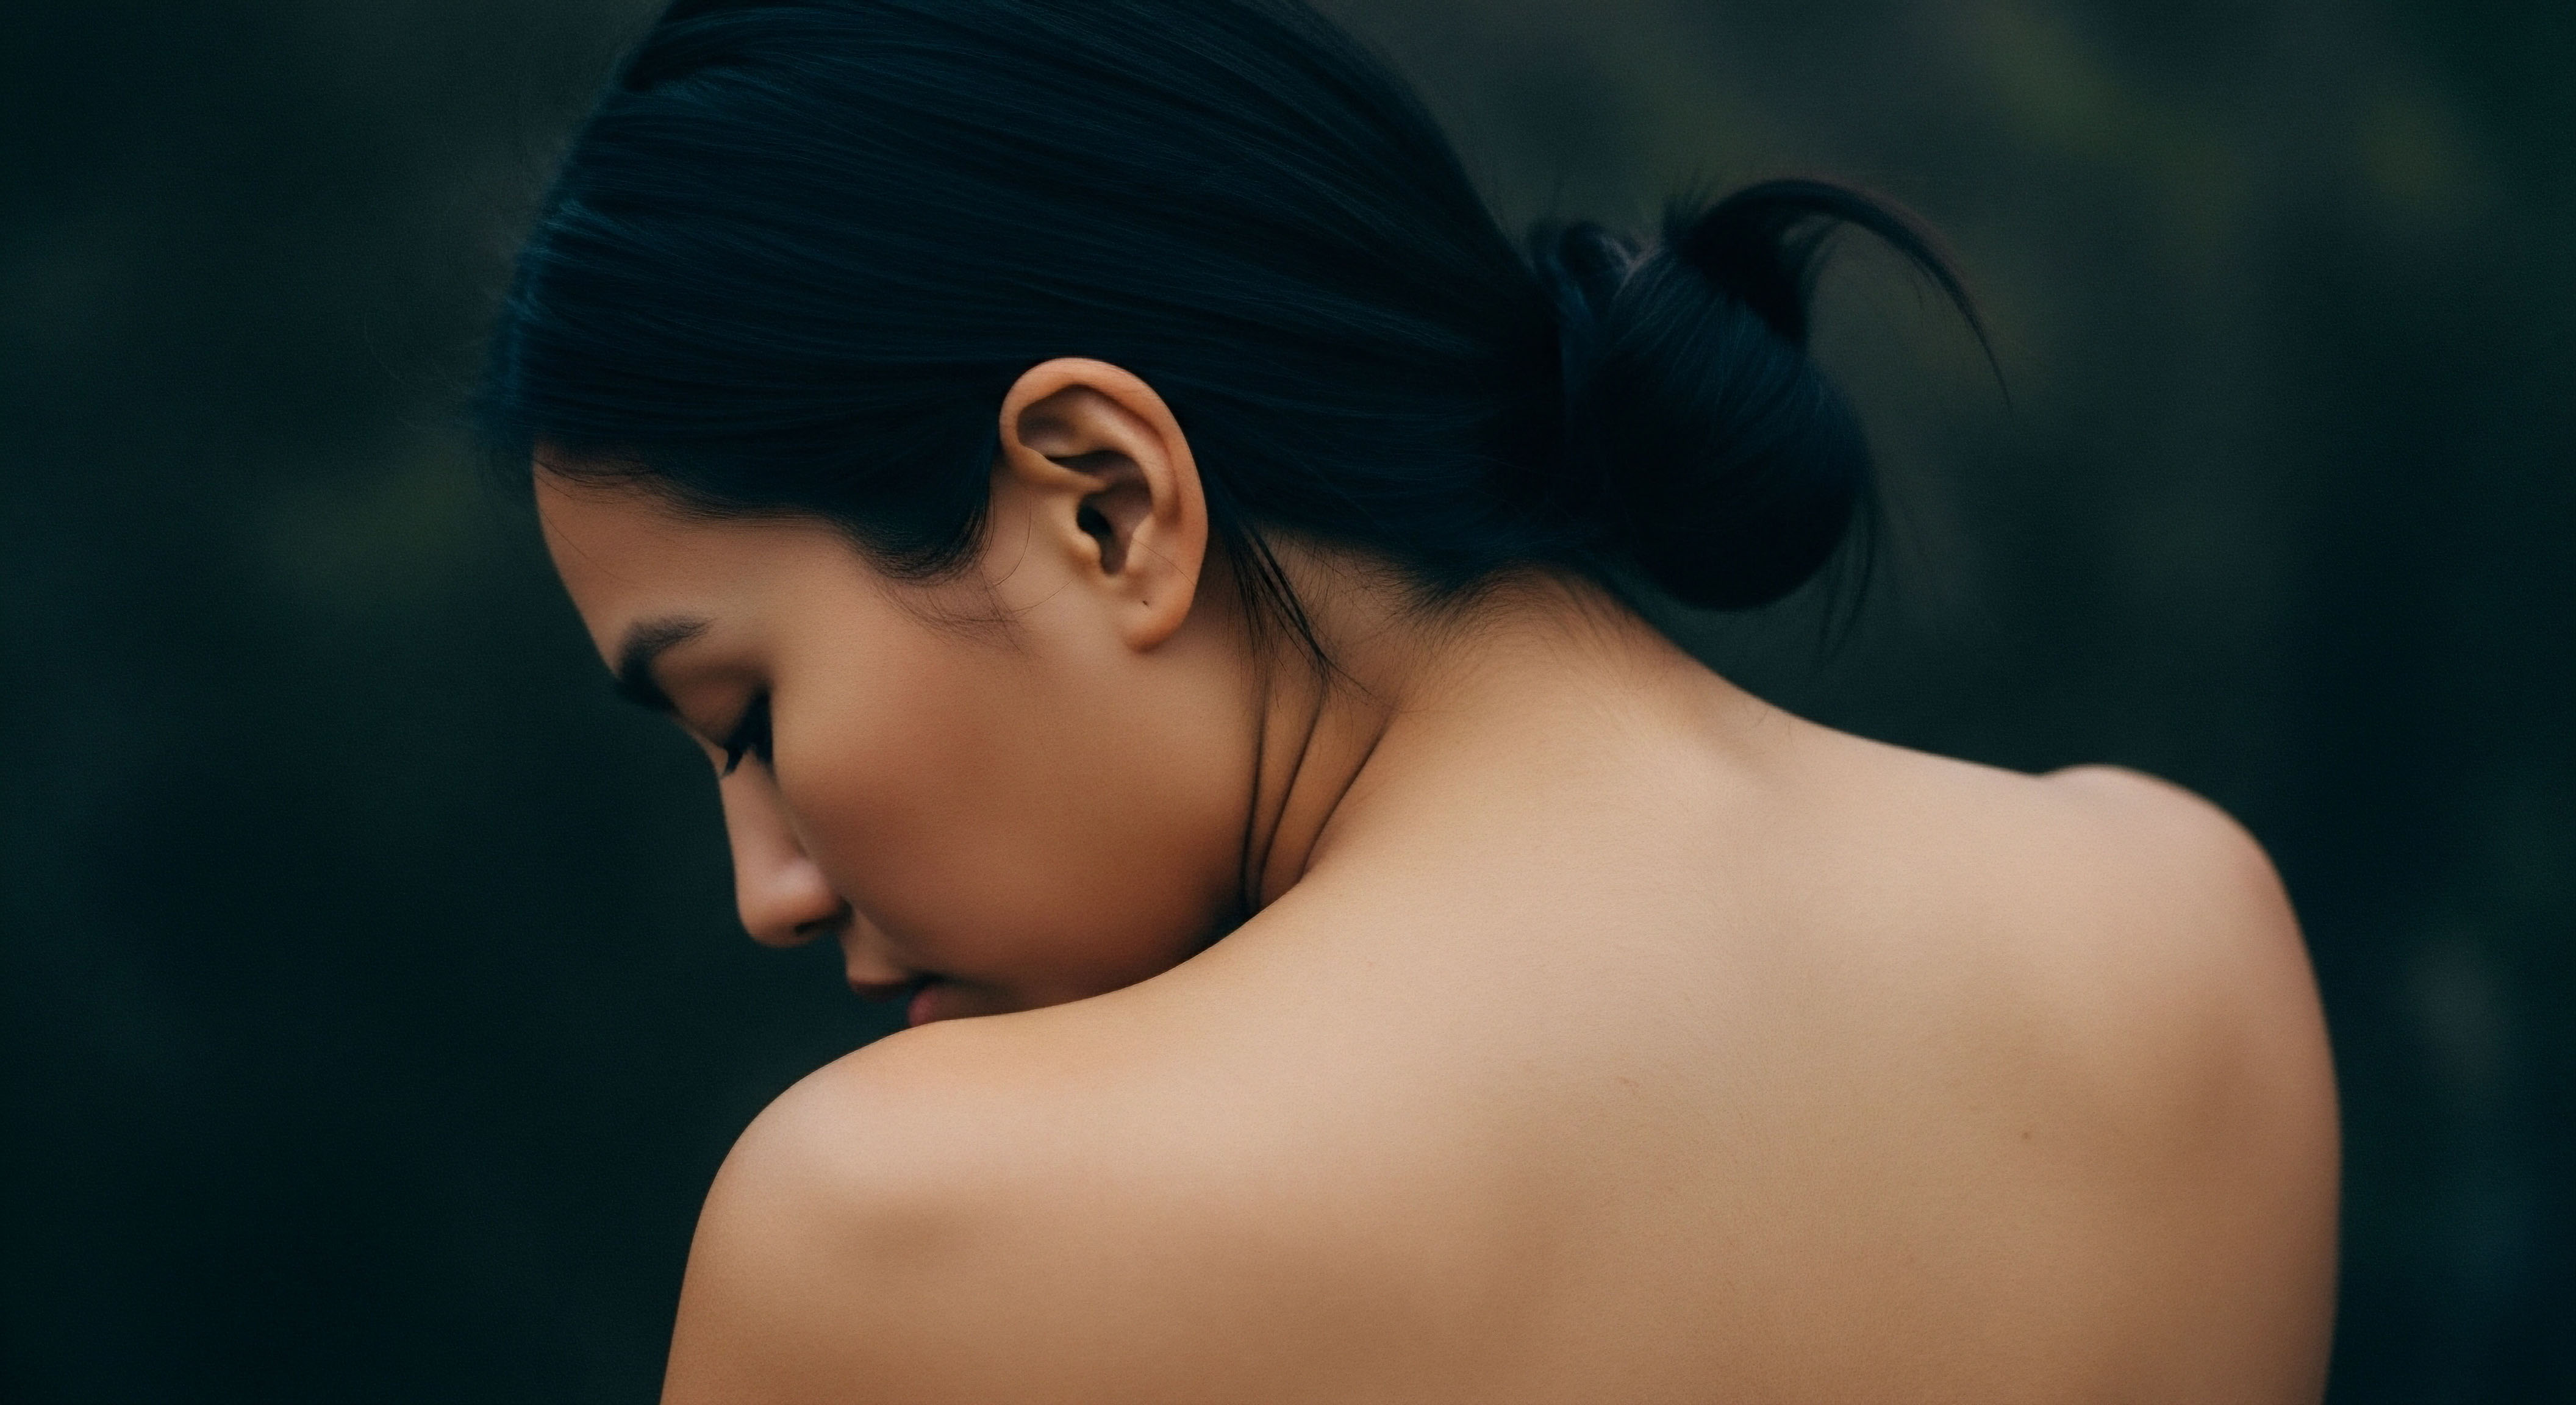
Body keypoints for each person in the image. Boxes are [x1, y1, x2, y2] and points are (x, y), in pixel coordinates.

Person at [483, 1, 2339, 1399]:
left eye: (744, 718)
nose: (772, 884)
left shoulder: (906, 1228)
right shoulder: (2180, 932)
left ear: (1100, 502)